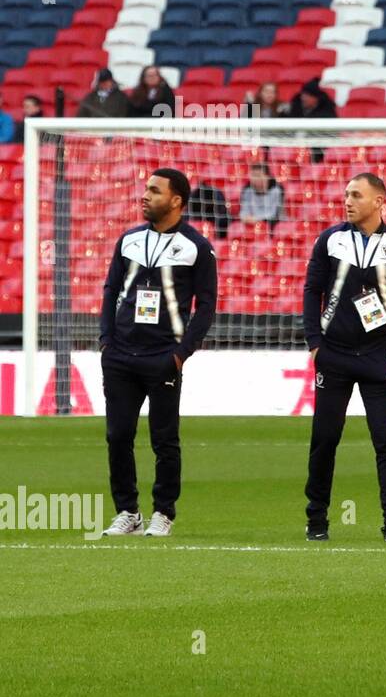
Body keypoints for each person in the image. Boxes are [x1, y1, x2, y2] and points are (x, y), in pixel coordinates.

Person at [98, 168, 218, 538]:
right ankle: (127, 512)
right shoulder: (129, 240)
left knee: (163, 438)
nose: (145, 195)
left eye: (154, 190)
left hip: (163, 356)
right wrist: (106, 340)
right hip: (120, 355)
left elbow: (207, 305)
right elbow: (110, 290)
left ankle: (163, 512)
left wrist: (182, 353)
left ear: (176, 200)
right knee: (118, 435)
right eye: (146, 189)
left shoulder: (196, 246)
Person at [303, 172, 386, 543]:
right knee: (324, 438)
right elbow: (312, 290)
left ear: (378, 201)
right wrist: (314, 343)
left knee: (385, 440)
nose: (348, 201)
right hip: (333, 353)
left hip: (376, 356)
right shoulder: (330, 240)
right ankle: (317, 518)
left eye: (356, 195)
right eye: (346, 195)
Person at [289, 78, 338, 163]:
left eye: (307, 95)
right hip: (295, 148)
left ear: (315, 98)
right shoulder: (296, 108)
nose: (303, 98)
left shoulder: (327, 113)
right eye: (303, 95)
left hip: (318, 152)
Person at [239, 161, 284, 229]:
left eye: (258, 176)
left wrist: (257, 219)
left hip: (270, 225)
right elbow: (244, 210)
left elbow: (273, 214)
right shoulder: (247, 190)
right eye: (253, 175)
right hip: (250, 224)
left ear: (267, 177)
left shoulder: (276, 190)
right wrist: (245, 217)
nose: (254, 179)